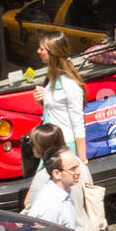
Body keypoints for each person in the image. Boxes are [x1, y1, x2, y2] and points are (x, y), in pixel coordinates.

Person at [34, 30, 87, 160]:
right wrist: (43, 99)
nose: (38, 51)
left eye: (42, 49)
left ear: (52, 53)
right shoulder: (52, 80)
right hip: (51, 146)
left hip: (65, 148)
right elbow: (56, 112)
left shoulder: (70, 85)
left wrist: (82, 160)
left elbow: (78, 124)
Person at [25, 146, 81, 228]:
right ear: (57, 174)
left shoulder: (62, 193)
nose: (79, 172)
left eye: (78, 166)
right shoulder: (50, 207)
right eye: (73, 169)